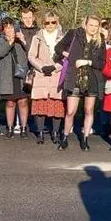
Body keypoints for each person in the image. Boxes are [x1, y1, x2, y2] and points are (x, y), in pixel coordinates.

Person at [56, 14, 105, 150]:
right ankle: (65, 137)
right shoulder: (74, 34)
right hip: (75, 78)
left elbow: (102, 63)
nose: (93, 28)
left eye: (96, 26)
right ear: (85, 24)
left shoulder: (100, 39)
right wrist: (70, 56)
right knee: (71, 111)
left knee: (89, 110)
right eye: (91, 25)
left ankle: (85, 138)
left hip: (92, 79)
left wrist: (88, 62)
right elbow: (58, 48)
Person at [27, 11, 66, 145]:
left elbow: (67, 57)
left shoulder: (63, 38)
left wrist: (56, 67)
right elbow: (31, 56)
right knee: (40, 104)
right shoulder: (37, 38)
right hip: (41, 74)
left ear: (57, 23)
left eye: (53, 22)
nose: (50, 25)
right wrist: (42, 67)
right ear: (43, 23)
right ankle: (40, 133)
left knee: (56, 104)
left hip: (56, 74)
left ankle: (55, 133)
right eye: (47, 22)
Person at [0, 17, 31, 139]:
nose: (10, 30)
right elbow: (0, 53)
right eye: (7, 28)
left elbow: (30, 52)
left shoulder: (19, 40)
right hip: (8, 76)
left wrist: (24, 41)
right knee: (10, 102)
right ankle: (10, 128)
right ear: (3, 30)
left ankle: (23, 128)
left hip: (20, 76)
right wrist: (10, 42)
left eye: (11, 27)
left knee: (23, 101)